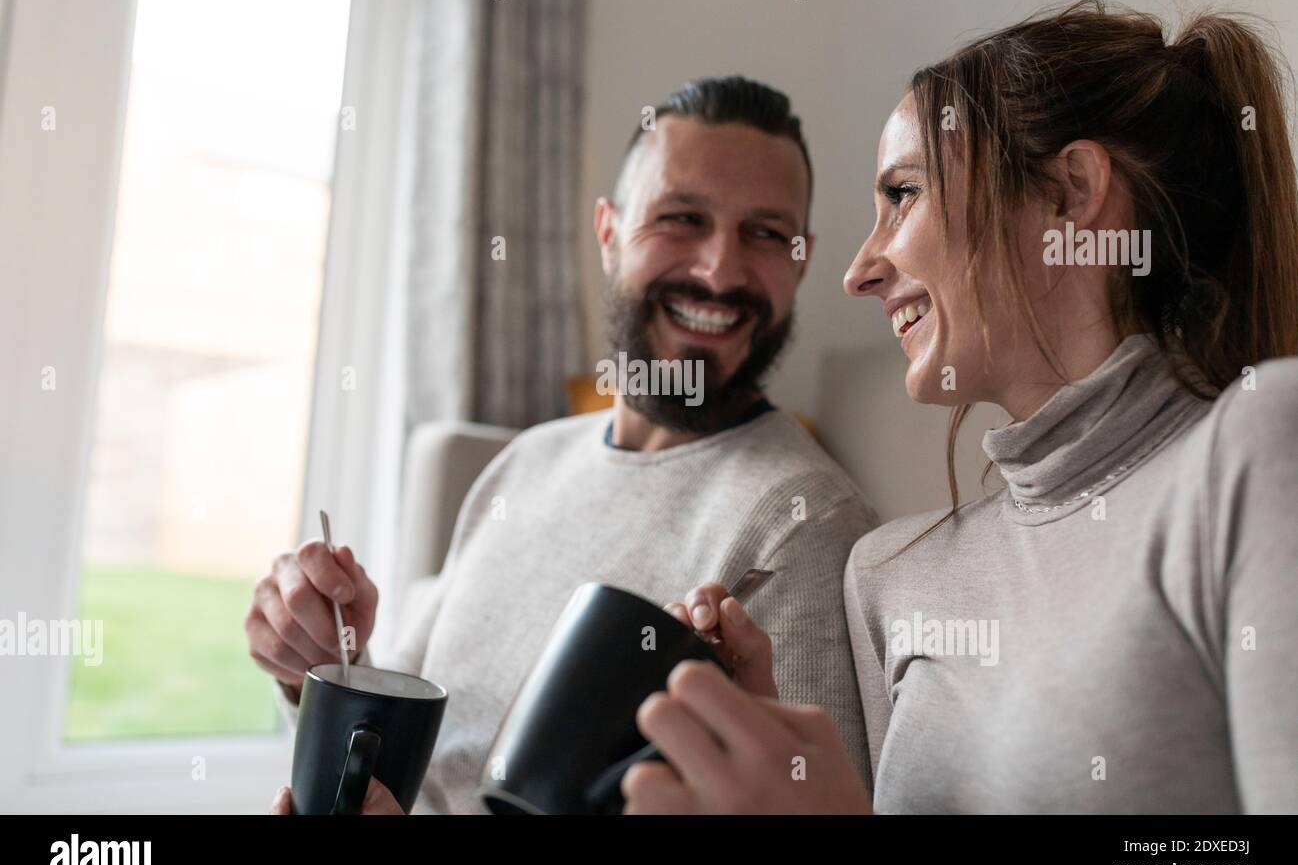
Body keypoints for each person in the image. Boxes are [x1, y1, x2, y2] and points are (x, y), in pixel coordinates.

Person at [625, 1, 1298, 814]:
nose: (860, 271)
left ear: (1070, 193)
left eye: (902, 194)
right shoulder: (890, 575)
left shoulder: (1260, 448)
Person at [252, 76, 878, 814]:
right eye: (681, 218)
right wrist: (322, 666)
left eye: (767, 233)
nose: (719, 270)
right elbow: (409, 751)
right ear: (609, 233)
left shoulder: (802, 523)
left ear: (801, 260)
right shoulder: (523, 464)